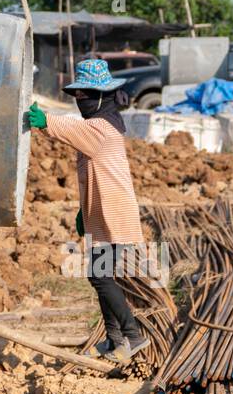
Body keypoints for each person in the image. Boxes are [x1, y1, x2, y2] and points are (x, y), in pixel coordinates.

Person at [27, 58, 148, 365]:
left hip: (115, 214)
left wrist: (45, 120)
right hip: (102, 213)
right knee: (100, 275)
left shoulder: (100, 127)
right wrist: (86, 212)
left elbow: (69, 129)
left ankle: (133, 336)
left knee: (100, 276)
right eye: (76, 95)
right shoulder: (104, 123)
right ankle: (113, 340)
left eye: (83, 94)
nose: (79, 99)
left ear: (100, 95)